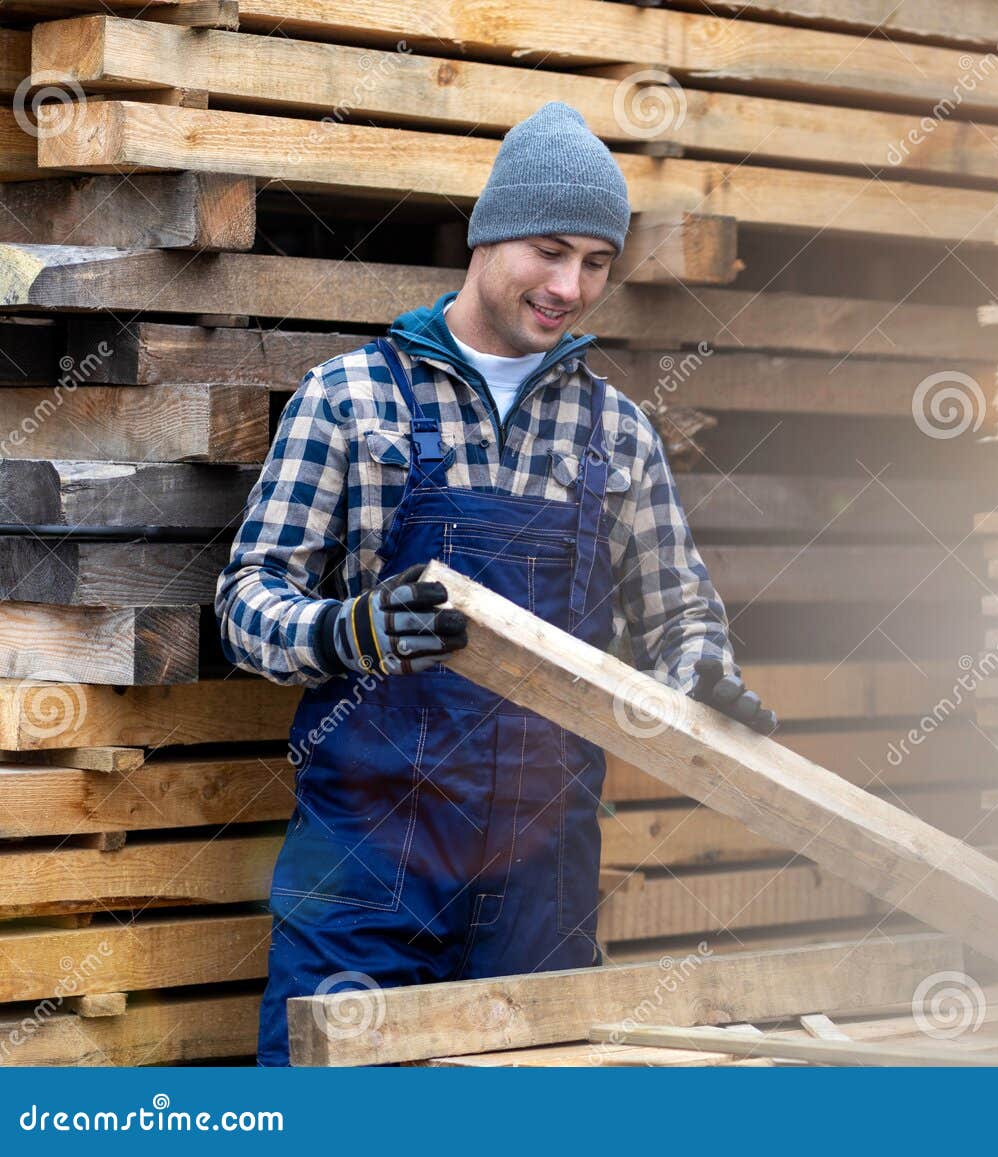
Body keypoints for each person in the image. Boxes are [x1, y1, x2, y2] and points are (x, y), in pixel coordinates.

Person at [216, 102, 776, 1066]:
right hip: (367, 869)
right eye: (549, 251)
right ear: (487, 236)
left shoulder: (617, 435)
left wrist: (700, 671)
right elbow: (246, 604)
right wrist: (351, 631)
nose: (570, 286)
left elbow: (678, 611)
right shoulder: (351, 399)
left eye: (597, 263)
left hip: (540, 881)